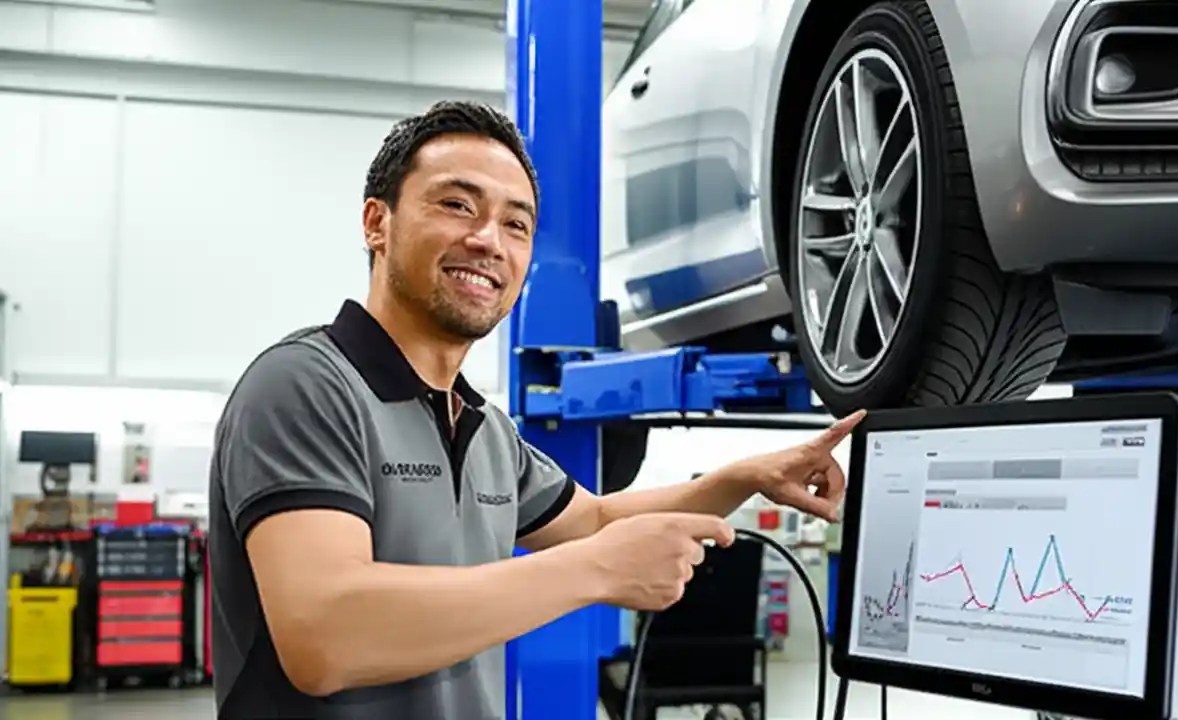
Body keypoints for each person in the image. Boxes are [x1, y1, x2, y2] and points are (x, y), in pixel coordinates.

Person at [207, 100, 865, 720]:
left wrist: (745, 477)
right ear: (377, 222)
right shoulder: (305, 386)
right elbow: (326, 637)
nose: (488, 240)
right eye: (457, 205)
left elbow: (596, 520)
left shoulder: (483, 429)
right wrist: (598, 570)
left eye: (516, 224)